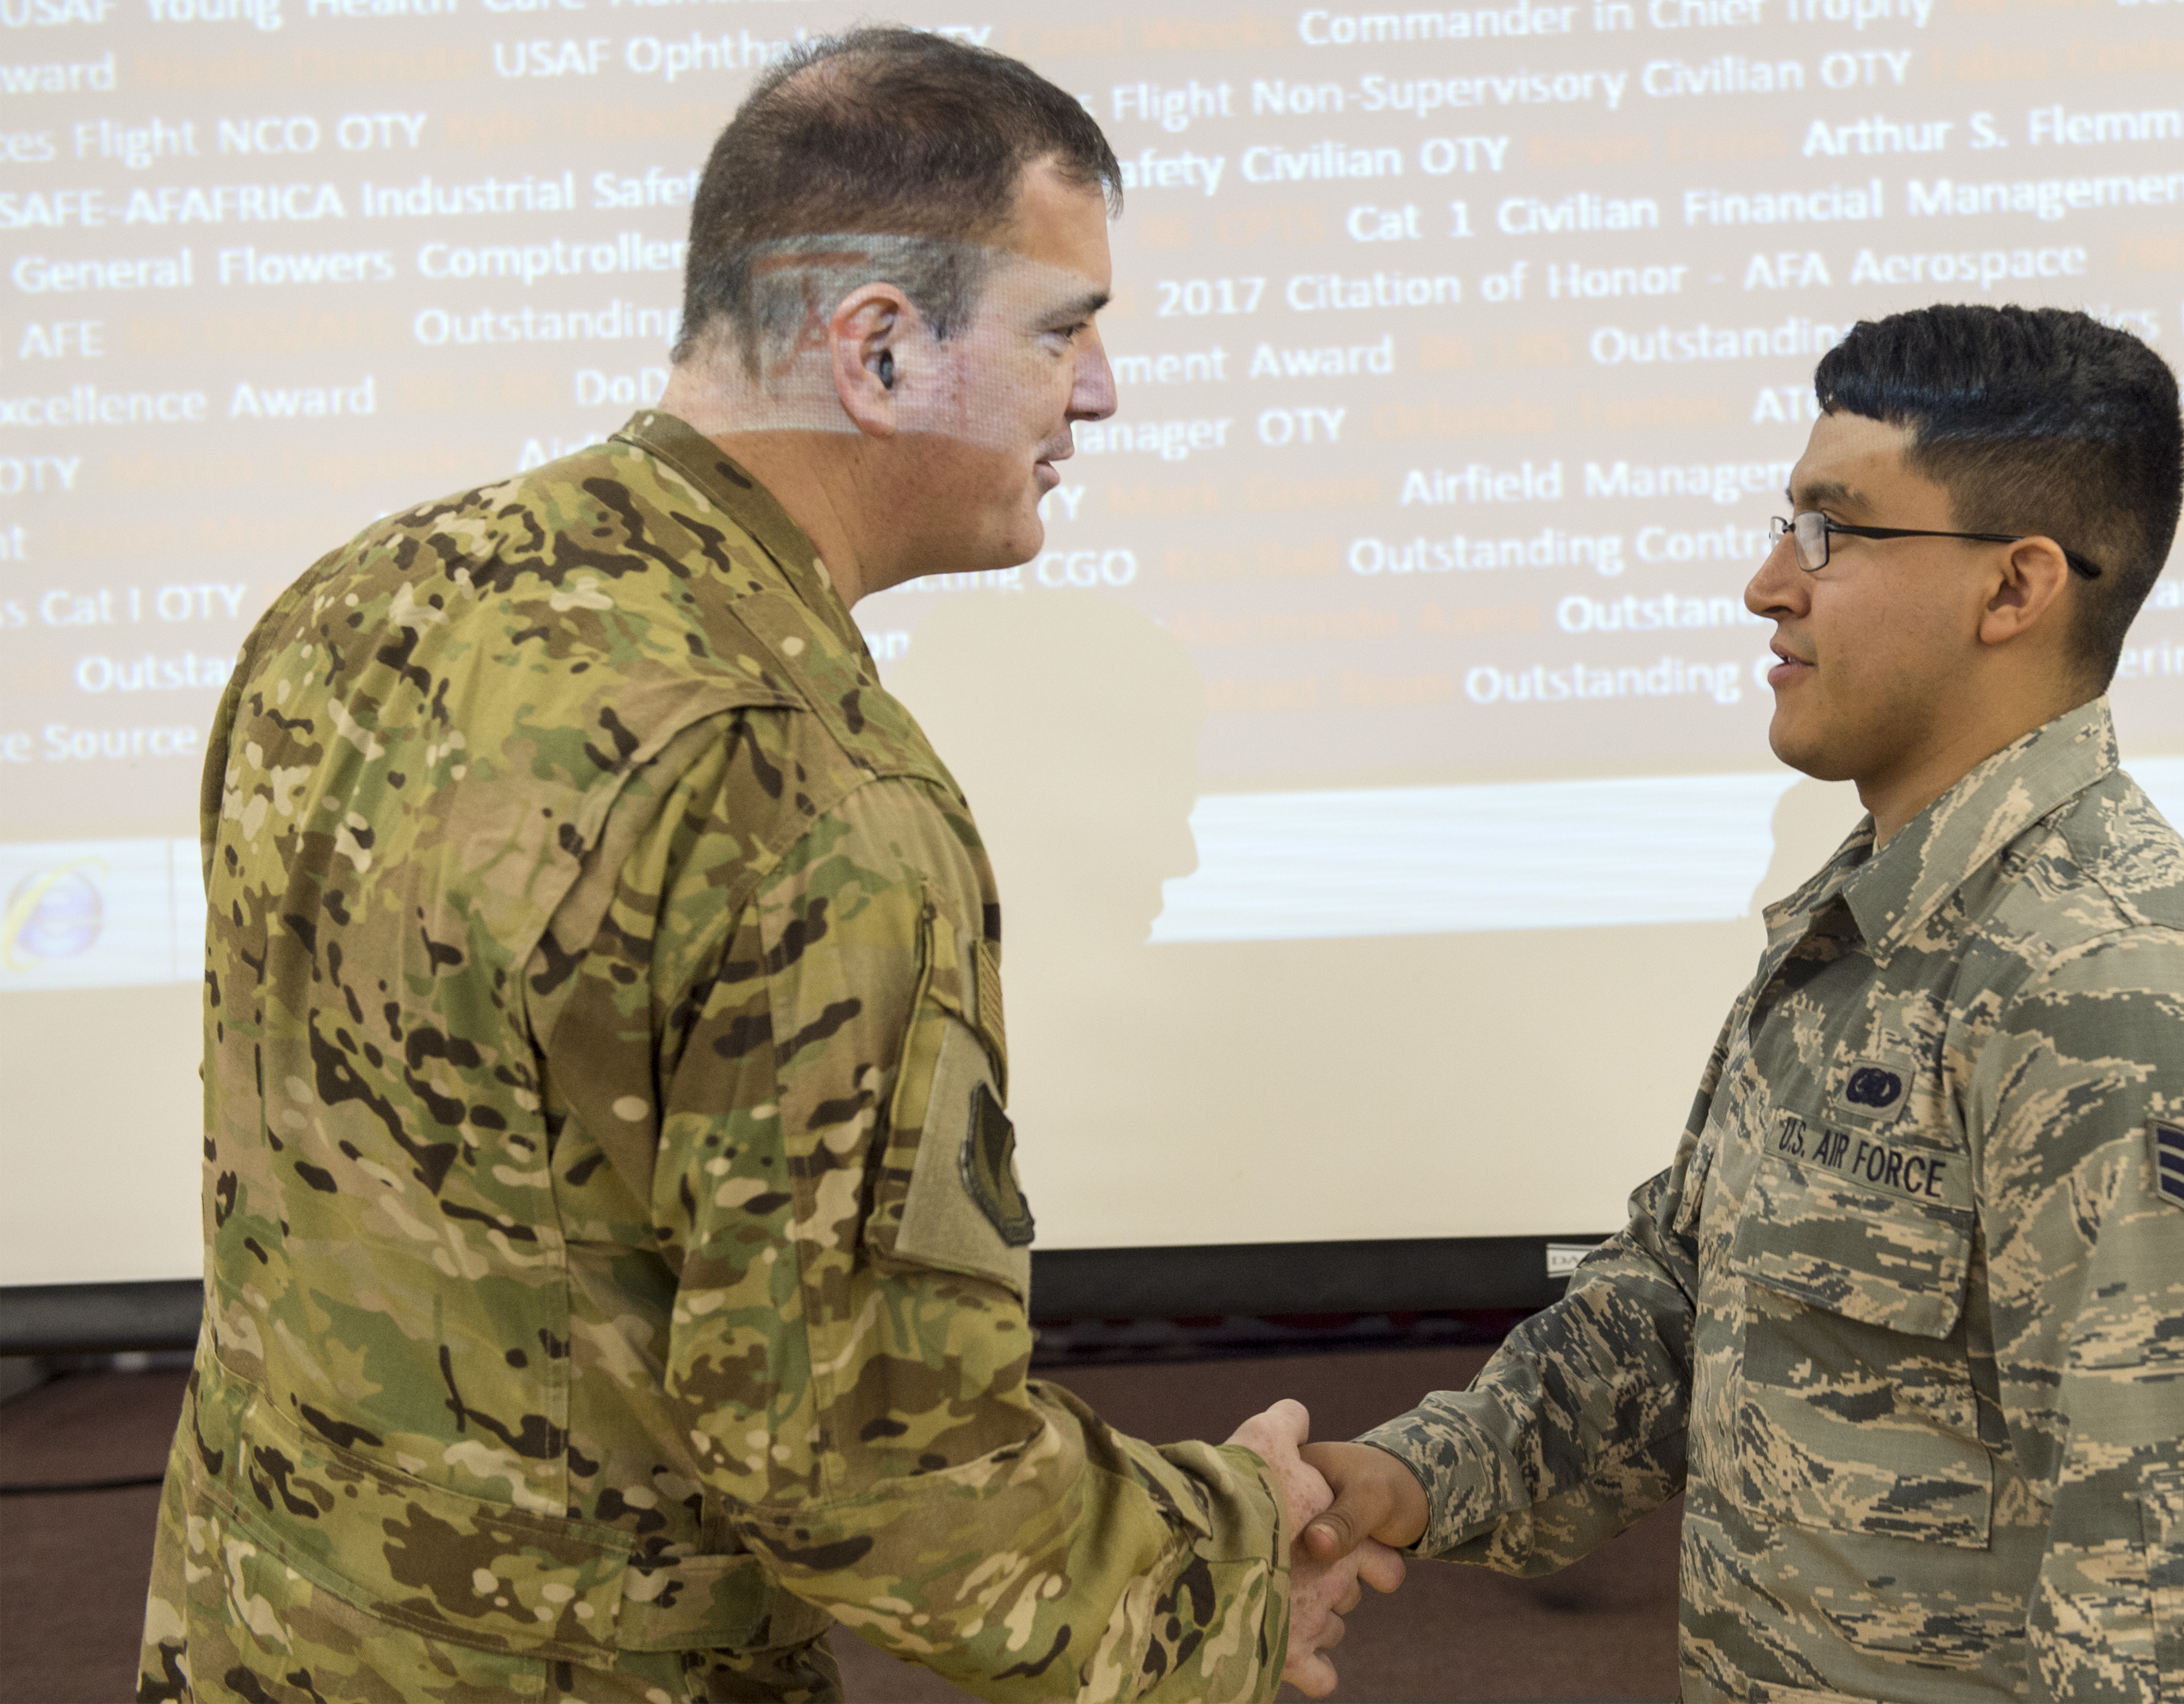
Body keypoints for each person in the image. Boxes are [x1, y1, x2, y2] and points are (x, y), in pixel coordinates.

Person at [139, 29, 1397, 1704]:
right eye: (1062, 331)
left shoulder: (366, 595)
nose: (1098, 393)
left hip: (253, 1634)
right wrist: (1229, 1557)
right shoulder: (802, 786)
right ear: (879, 351)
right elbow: (865, 1463)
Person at [1298, 304, 2184, 1703]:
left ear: (2015, 590)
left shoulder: (2120, 997)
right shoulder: (1877, 918)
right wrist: (1398, 1479)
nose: (1767, 583)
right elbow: (1689, 1306)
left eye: (1832, 531)